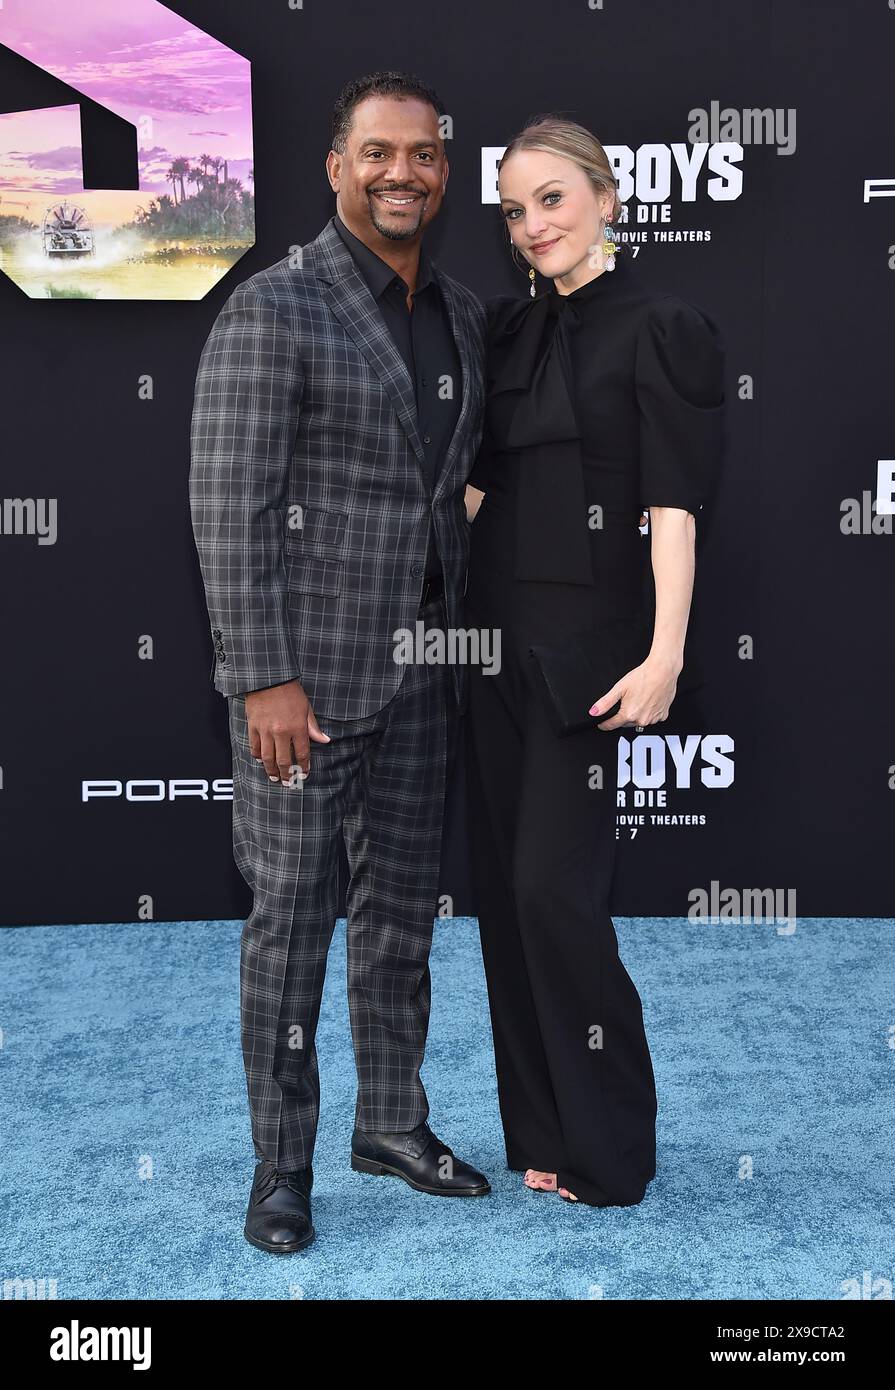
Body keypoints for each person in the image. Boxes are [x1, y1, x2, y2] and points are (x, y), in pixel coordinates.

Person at [189, 71, 492, 1255]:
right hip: (300, 693)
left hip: (423, 672)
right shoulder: (275, 307)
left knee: (402, 916)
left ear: (443, 171)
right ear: (334, 166)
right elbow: (230, 505)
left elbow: (451, 488)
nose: (400, 173)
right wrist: (260, 676)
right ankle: (281, 1167)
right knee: (291, 923)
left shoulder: (461, 313)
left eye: (421, 155)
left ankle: (393, 1123)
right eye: (377, 154)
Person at [464, 116, 726, 1207]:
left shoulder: (664, 324)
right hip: (486, 647)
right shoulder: (501, 332)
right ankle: (543, 1130)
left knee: (552, 891)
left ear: (609, 197)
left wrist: (666, 651)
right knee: (501, 897)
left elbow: (673, 505)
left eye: (553, 201)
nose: (533, 227)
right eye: (515, 211)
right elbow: (476, 495)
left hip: (591, 650)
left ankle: (610, 1148)